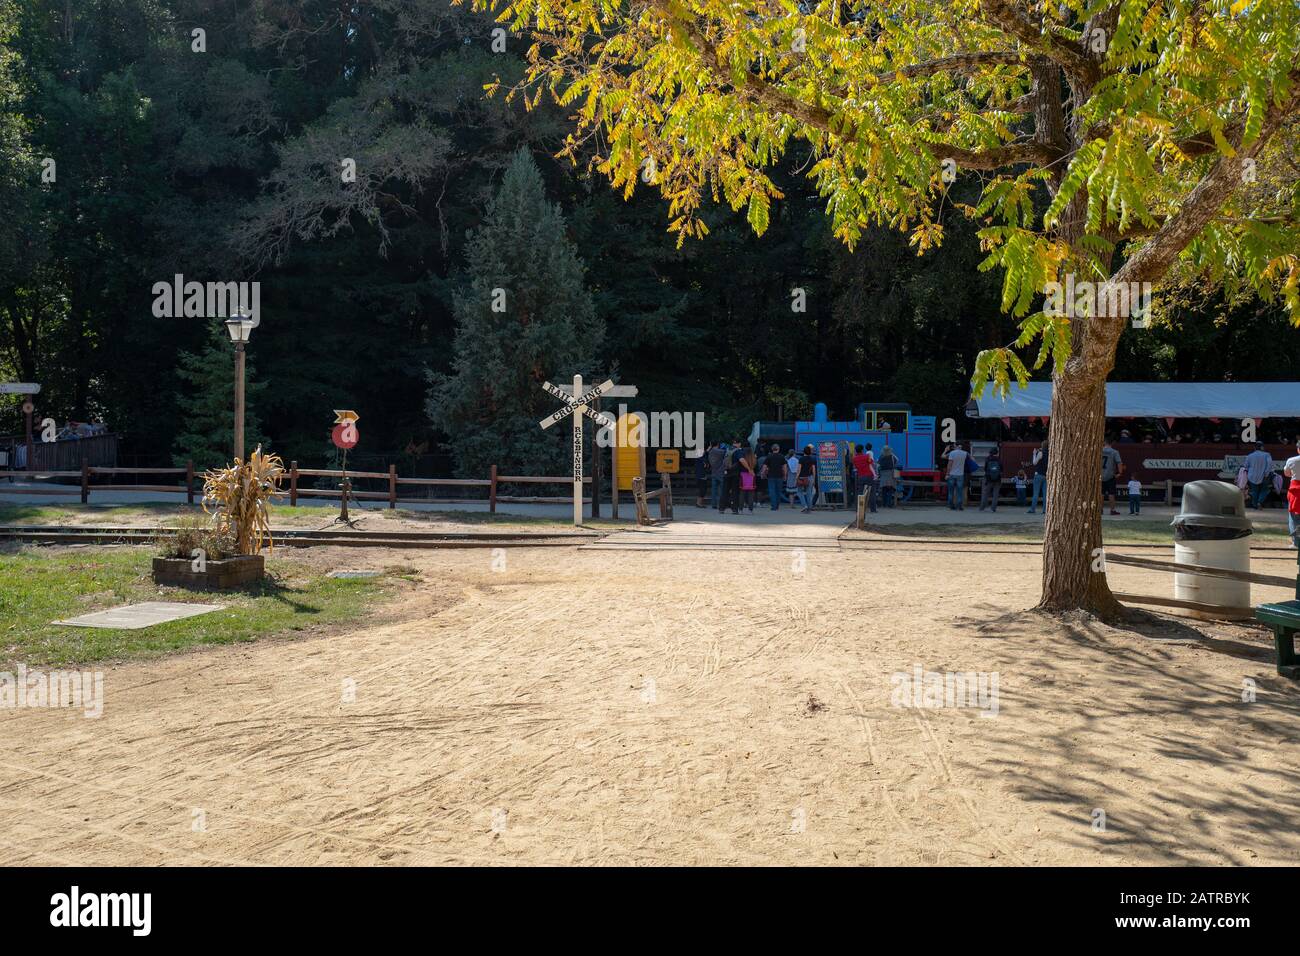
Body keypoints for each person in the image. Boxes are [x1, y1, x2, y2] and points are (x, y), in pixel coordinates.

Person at [1243, 442, 1273, 509]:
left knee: (1254, 491)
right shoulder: (1267, 455)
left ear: (1254, 448)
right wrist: (1266, 474)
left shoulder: (1250, 456)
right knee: (1265, 490)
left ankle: (1254, 505)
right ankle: (1259, 502)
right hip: (1264, 476)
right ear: (1262, 447)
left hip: (1252, 476)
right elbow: (1269, 465)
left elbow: (1245, 466)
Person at [852, 442, 878, 513]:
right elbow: (871, 463)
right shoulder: (867, 456)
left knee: (859, 493)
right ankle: (873, 509)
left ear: (856, 450)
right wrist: (875, 474)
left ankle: (858, 509)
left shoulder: (854, 459)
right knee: (872, 492)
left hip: (860, 477)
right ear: (862, 450)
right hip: (869, 476)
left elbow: (855, 467)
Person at [1100, 438, 1124, 516]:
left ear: (1104, 442)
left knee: (1101, 493)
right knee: (1111, 494)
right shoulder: (1114, 452)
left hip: (1100, 475)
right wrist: (1120, 473)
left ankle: (1100, 510)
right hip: (1110, 475)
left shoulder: (1100, 451)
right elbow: (1119, 463)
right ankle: (1112, 510)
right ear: (1112, 443)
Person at [941, 442, 968, 510]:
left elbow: (944, 458)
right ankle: (959, 506)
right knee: (959, 492)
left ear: (956, 446)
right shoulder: (965, 453)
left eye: (953, 445)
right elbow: (972, 459)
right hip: (960, 475)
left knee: (951, 492)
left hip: (952, 475)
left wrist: (946, 450)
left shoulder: (952, 453)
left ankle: (951, 506)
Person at [762, 443, 787, 511]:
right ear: (778, 449)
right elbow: (784, 467)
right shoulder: (782, 456)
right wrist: (785, 475)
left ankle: (773, 506)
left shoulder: (769, 457)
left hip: (771, 476)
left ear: (772, 449)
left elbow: (764, 467)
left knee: (772, 491)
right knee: (778, 491)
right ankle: (777, 506)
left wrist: (763, 474)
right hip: (780, 476)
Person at [1285, 439, 1300, 549]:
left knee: (1294, 517)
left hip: (1296, 490)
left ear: (1298, 449)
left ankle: (1296, 542)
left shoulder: (1291, 460)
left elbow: (1287, 473)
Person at [1028, 439, 1048, 514]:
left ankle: (1032, 509)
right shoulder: (1050, 453)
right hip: (1046, 475)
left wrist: (1034, 454)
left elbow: (1034, 463)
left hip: (1038, 474)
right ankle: (1045, 510)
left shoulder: (1040, 453)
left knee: (1036, 493)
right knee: (1045, 494)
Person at [796, 444, 818, 513]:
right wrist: (814, 479)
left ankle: (804, 505)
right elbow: (814, 470)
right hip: (810, 477)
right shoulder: (812, 459)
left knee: (799, 492)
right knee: (809, 493)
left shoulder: (801, 459)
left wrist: (796, 477)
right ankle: (809, 508)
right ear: (810, 452)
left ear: (804, 452)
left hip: (802, 477)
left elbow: (799, 469)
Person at [878, 444, 899, 508]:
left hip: (883, 474)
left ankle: (884, 504)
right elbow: (897, 460)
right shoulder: (892, 456)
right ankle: (889, 504)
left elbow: (878, 464)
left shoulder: (881, 457)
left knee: (884, 490)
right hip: (890, 474)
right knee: (890, 490)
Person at [706, 441, 726, 510]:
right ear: (718, 444)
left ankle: (713, 504)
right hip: (720, 472)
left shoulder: (710, 452)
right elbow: (726, 453)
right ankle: (720, 503)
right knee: (721, 489)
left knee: (714, 490)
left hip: (713, 472)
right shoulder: (720, 451)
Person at [740, 444, 757, 513]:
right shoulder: (754, 459)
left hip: (743, 476)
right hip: (751, 476)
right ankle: (750, 509)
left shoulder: (743, 458)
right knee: (751, 494)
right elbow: (756, 468)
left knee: (742, 494)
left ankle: (740, 509)